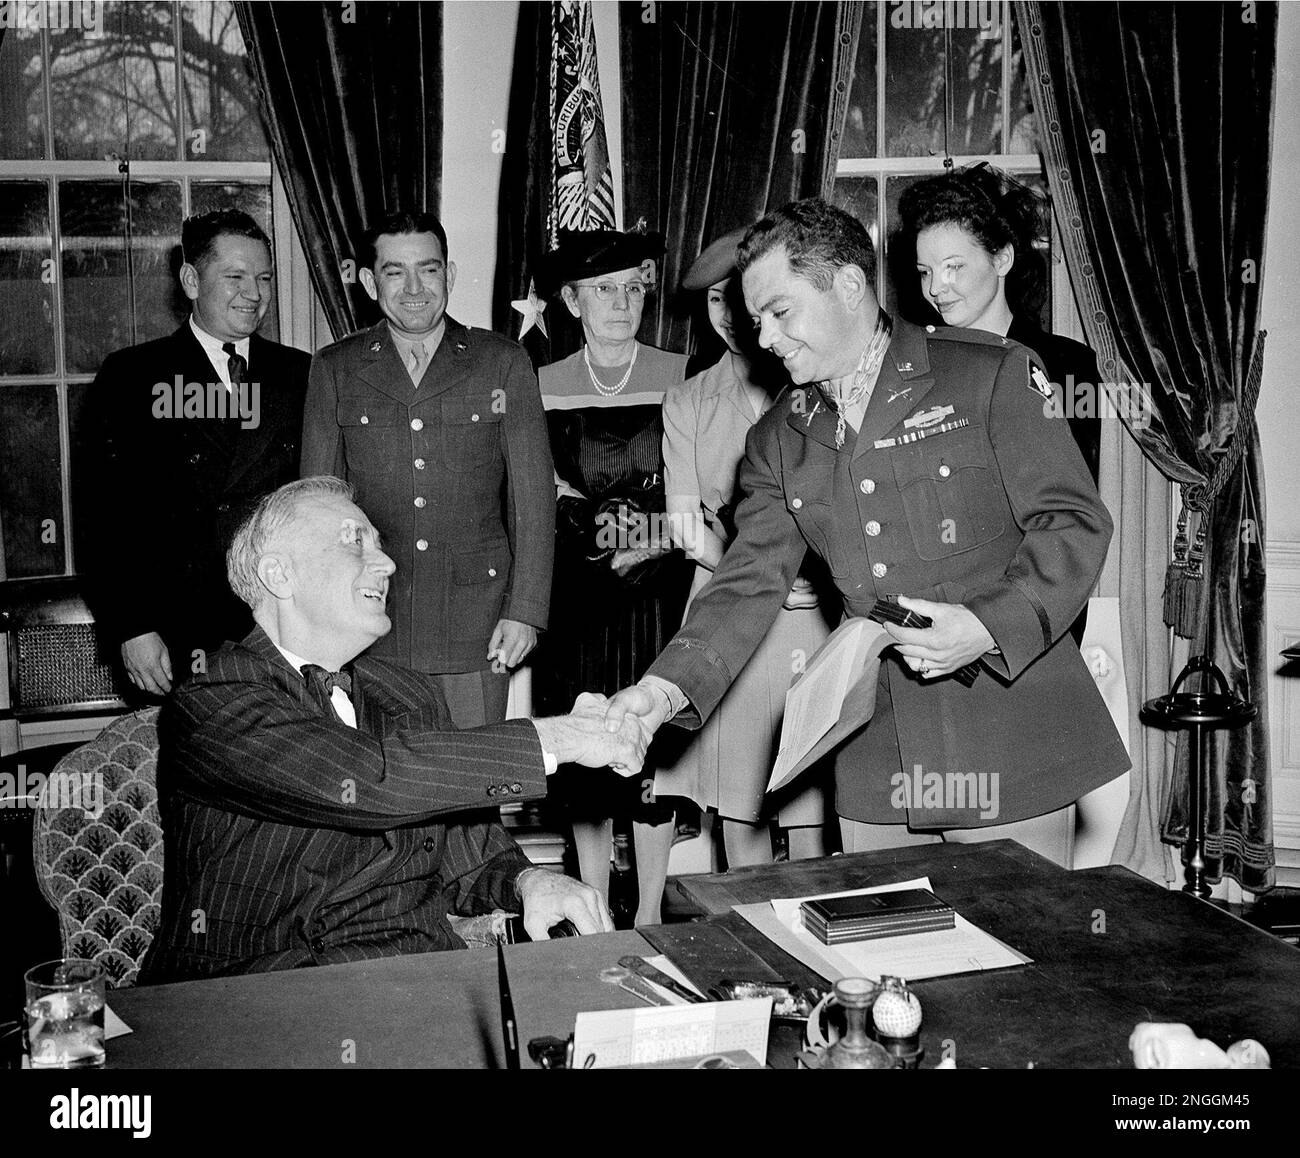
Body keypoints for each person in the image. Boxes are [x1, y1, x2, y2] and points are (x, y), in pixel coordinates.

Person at [603, 198, 1130, 863]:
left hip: (1008, 733)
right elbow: (745, 581)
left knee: (1021, 953)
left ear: (848, 287)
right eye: (757, 319)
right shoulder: (778, 437)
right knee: (887, 956)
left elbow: (1074, 521)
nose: (764, 339)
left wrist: (989, 625)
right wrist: (661, 691)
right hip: (876, 754)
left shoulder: (987, 373)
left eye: (780, 312)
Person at [139, 477, 642, 983]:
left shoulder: (408, 695)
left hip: (417, 980)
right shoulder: (213, 696)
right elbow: (371, 777)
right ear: (279, 574)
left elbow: (469, 850)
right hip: (263, 993)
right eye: (355, 540)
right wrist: (559, 738)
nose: (387, 564)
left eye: (380, 545)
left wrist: (529, 881)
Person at [301, 211, 554, 728]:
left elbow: (532, 497)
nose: (415, 288)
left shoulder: (500, 361)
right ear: (370, 282)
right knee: (386, 788)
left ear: (450, 275)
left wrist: (525, 609)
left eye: (429, 270)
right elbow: (317, 510)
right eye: (395, 273)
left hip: (477, 621)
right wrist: (323, 623)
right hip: (371, 623)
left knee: (474, 788)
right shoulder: (336, 368)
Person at [654, 229, 836, 865]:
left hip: (818, 604)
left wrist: (812, 578)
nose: (731, 318)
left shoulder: (817, 385)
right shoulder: (687, 401)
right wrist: (769, 577)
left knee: (812, 789)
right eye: (715, 303)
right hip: (730, 598)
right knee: (741, 793)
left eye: (742, 301)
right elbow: (682, 526)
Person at [530, 228, 693, 926]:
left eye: (633, 286)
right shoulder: (541, 384)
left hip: (659, 596)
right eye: (604, 289)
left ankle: (652, 910)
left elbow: (698, 491)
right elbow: (546, 496)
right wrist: (610, 540)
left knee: (654, 746)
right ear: (571, 300)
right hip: (581, 596)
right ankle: (591, 904)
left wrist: (646, 540)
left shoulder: (684, 372)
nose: (621, 301)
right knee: (588, 750)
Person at [88, 209, 310, 695]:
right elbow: (103, 519)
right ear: (190, 279)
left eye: (265, 278)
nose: (254, 294)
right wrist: (131, 627)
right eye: (234, 277)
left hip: (278, 628)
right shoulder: (132, 377)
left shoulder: (302, 375)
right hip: (174, 633)